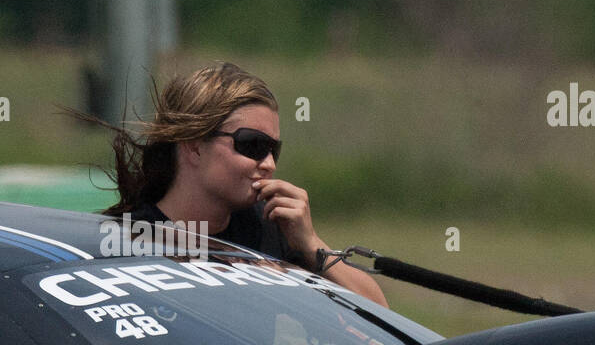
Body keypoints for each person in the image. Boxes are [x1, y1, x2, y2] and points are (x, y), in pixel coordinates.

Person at [101, 62, 388, 306]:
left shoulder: (266, 229)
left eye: (273, 150)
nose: (269, 164)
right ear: (195, 147)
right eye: (252, 145)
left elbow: (378, 314)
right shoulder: (129, 241)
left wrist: (311, 245)